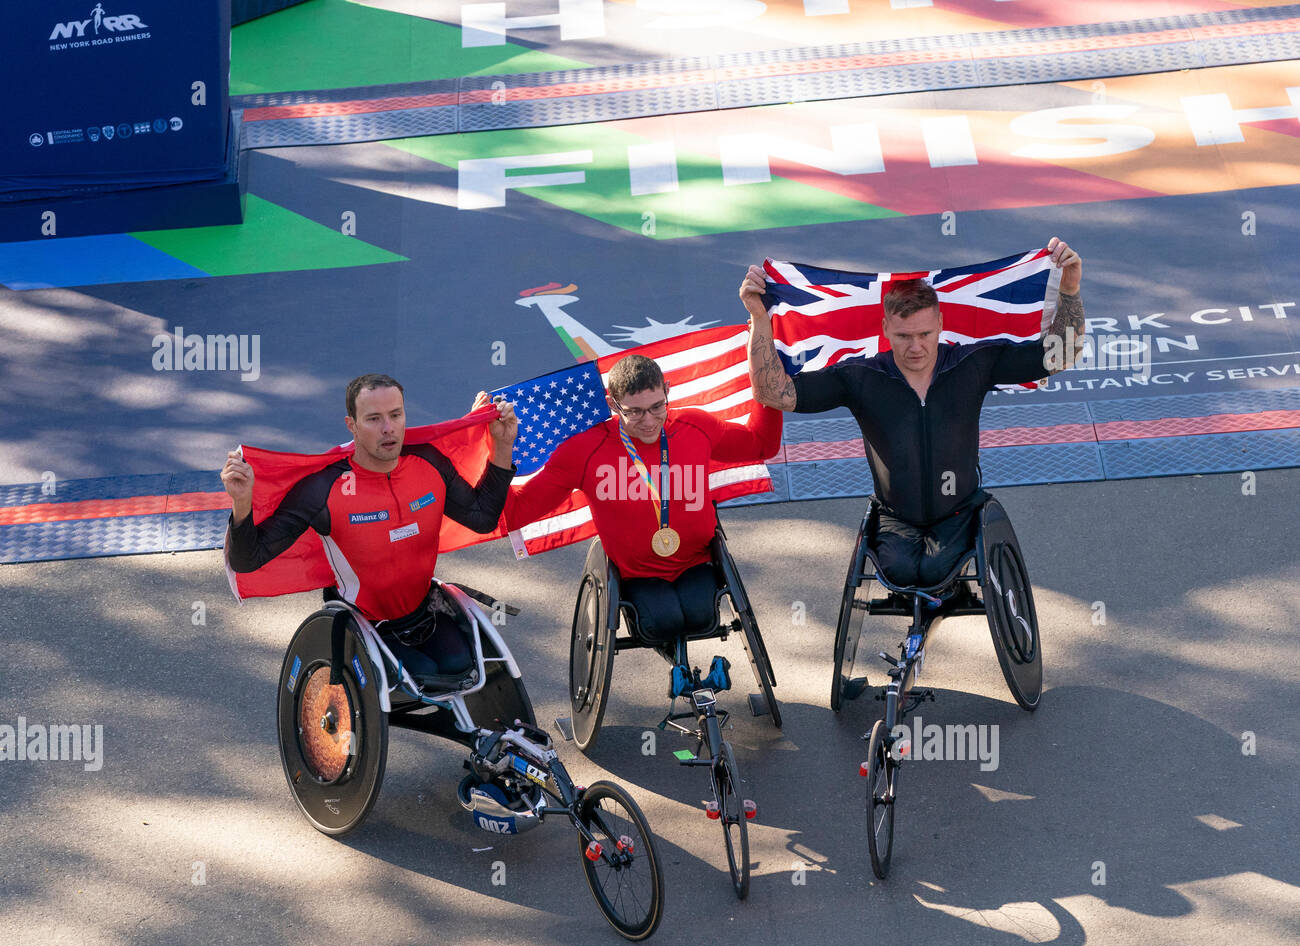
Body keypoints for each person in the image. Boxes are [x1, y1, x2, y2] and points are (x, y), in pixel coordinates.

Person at [739, 237, 1084, 588]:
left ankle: (939, 598)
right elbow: (773, 392)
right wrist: (758, 317)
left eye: (925, 333)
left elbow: (1058, 356)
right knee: (902, 572)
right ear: (886, 328)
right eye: (904, 336)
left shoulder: (973, 363)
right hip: (895, 517)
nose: (915, 346)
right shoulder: (860, 377)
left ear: (941, 325)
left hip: (961, 512)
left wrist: (1069, 288)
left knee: (935, 572)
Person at [222, 373, 518, 683]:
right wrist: (242, 504)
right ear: (352, 425)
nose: (388, 428)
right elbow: (248, 560)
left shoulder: (430, 463)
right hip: (362, 624)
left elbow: (482, 518)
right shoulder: (322, 488)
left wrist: (502, 446)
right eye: (374, 419)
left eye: (395, 415)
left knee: (462, 665)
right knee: (423, 674)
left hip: (422, 612)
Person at [503, 353, 782, 642]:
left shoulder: (694, 426)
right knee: (663, 622)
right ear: (613, 404)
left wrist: (770, 381)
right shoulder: (584, 450)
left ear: (667, 391)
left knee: (702, 618)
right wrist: (498, 448)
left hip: (696, 561)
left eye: (656, 406)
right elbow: (517, 512)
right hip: (639, 575)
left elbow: (760, 444)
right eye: (634, 411)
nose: (649, 421)